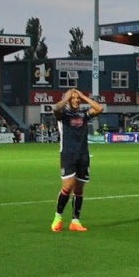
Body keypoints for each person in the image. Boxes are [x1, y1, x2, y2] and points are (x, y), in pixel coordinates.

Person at [51, 87, 104, 232]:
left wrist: (84, 96)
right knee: (67, 187)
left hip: (83, 154)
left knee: (79, 189)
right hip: (68, 154)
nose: (75, 100)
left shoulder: (83, 114)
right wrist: (66, 97)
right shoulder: (63, 114)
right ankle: (58, 217)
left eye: (77, 98)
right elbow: (55, 108)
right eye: (72, 98)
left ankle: (75, 221)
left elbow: (99, 108)